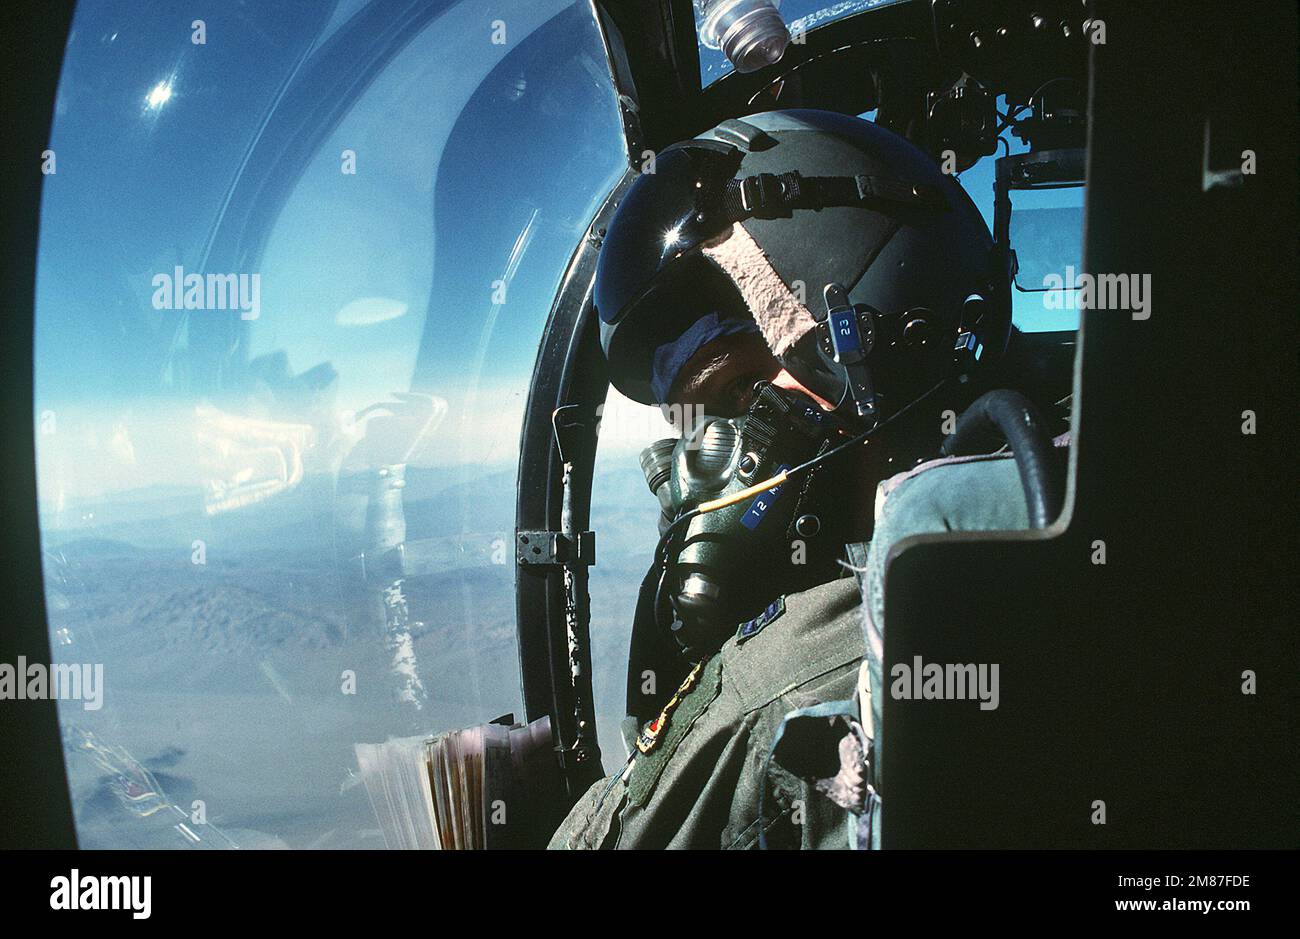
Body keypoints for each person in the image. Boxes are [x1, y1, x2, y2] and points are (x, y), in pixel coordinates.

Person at [549, 108, 1007, 849]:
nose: (711, 469)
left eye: (735, 397)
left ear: (880, 335)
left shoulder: (784, 692)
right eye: (696, 427)